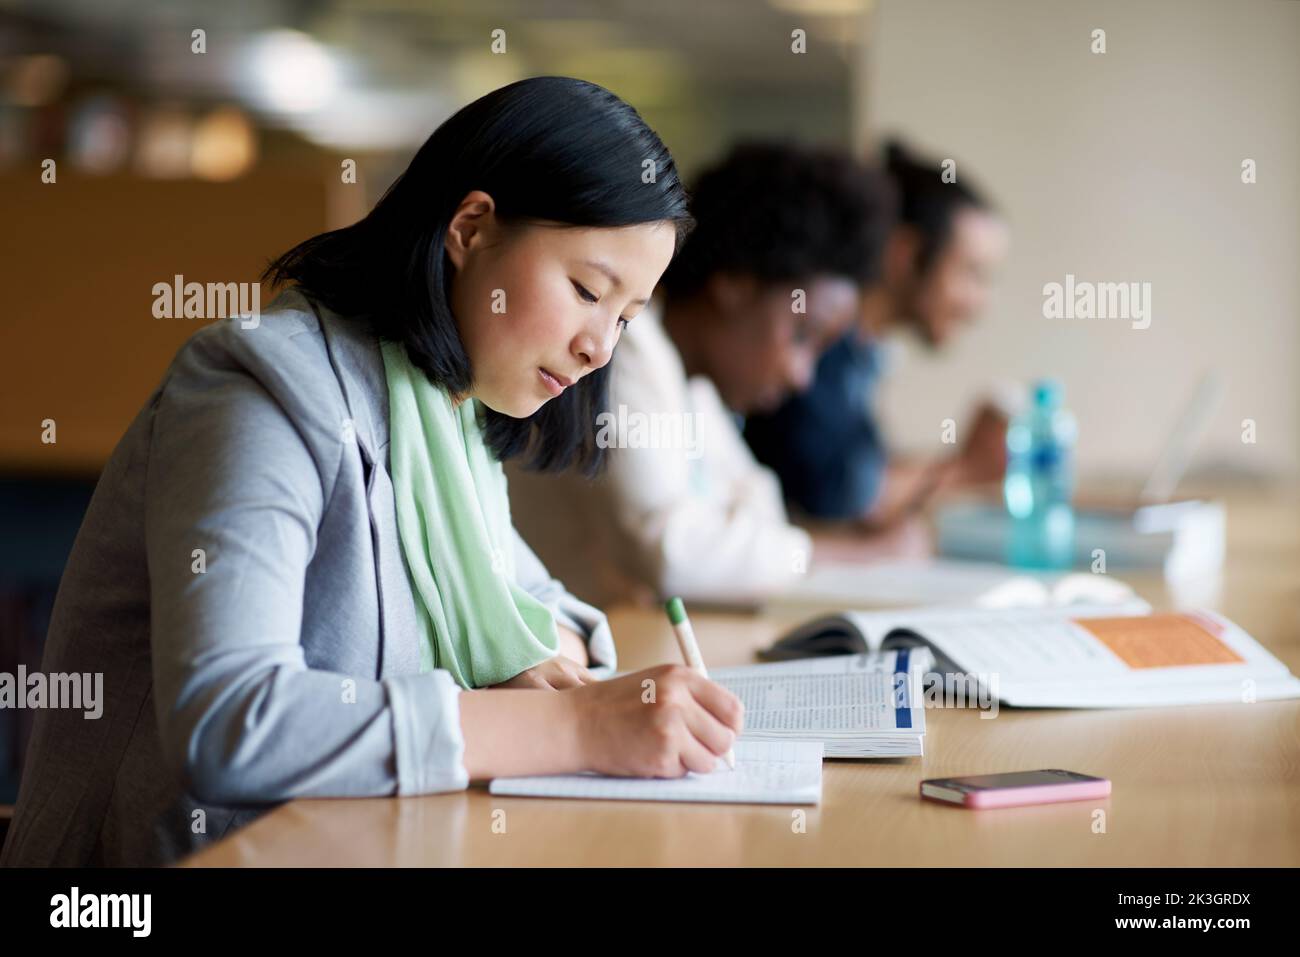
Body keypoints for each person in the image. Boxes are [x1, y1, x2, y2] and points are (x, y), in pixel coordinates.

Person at [0, 77, 744, 867]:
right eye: (586, 290)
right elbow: (231, 720)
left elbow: (533, 611)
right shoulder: (259, 385)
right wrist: (576, 725)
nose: (601, 346)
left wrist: (547, 667)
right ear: (472, 227)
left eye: (626, 316)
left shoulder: (446, 418)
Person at [509, 142, 893, 607]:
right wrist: (857, 553)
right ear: (735, 284)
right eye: (800, 335)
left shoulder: (694, 385)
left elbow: (761, 509)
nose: (801, 376)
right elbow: (673, 555)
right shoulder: (623, 351)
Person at [744, 139, 1011, 530]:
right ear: (905, 253)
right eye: (971, 273)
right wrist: (966, 466)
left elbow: (862, 470)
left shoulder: (863, 355)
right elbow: (836, 501)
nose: (978, 304)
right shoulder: (817, 349)